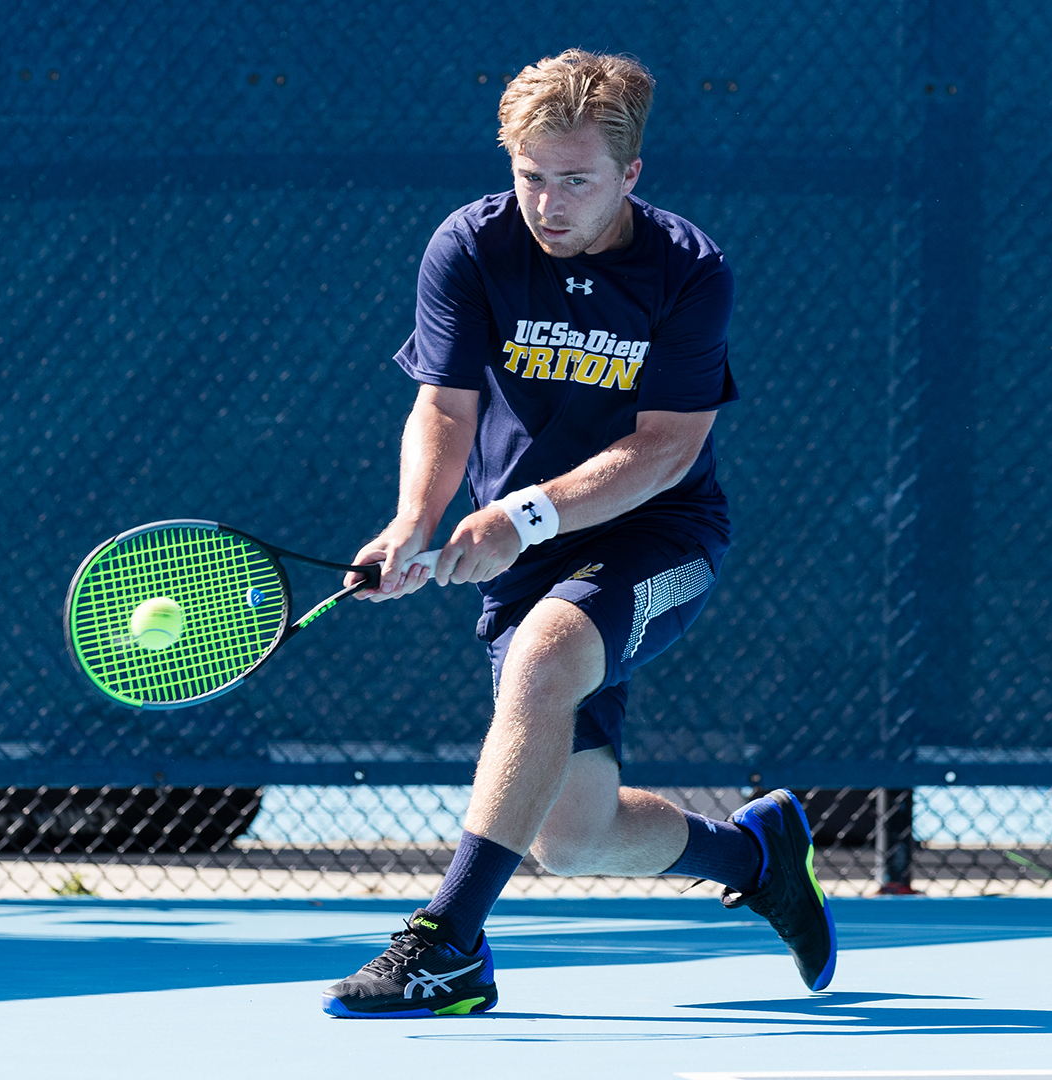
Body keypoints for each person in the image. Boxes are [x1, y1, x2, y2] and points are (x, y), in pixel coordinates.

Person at [321, 49, 835, 1019]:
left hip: (661, 532)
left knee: (548, 659)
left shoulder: (689, 272)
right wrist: (412, 521)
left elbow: (668, 449)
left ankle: (448, 944)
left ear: (630, 176)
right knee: (572, 835)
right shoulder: (470, 247)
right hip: (524, 548)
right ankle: (756, 854)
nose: (548, 204)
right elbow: (444, 407)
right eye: (529, 177)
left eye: (575, 181)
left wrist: (520, 516)